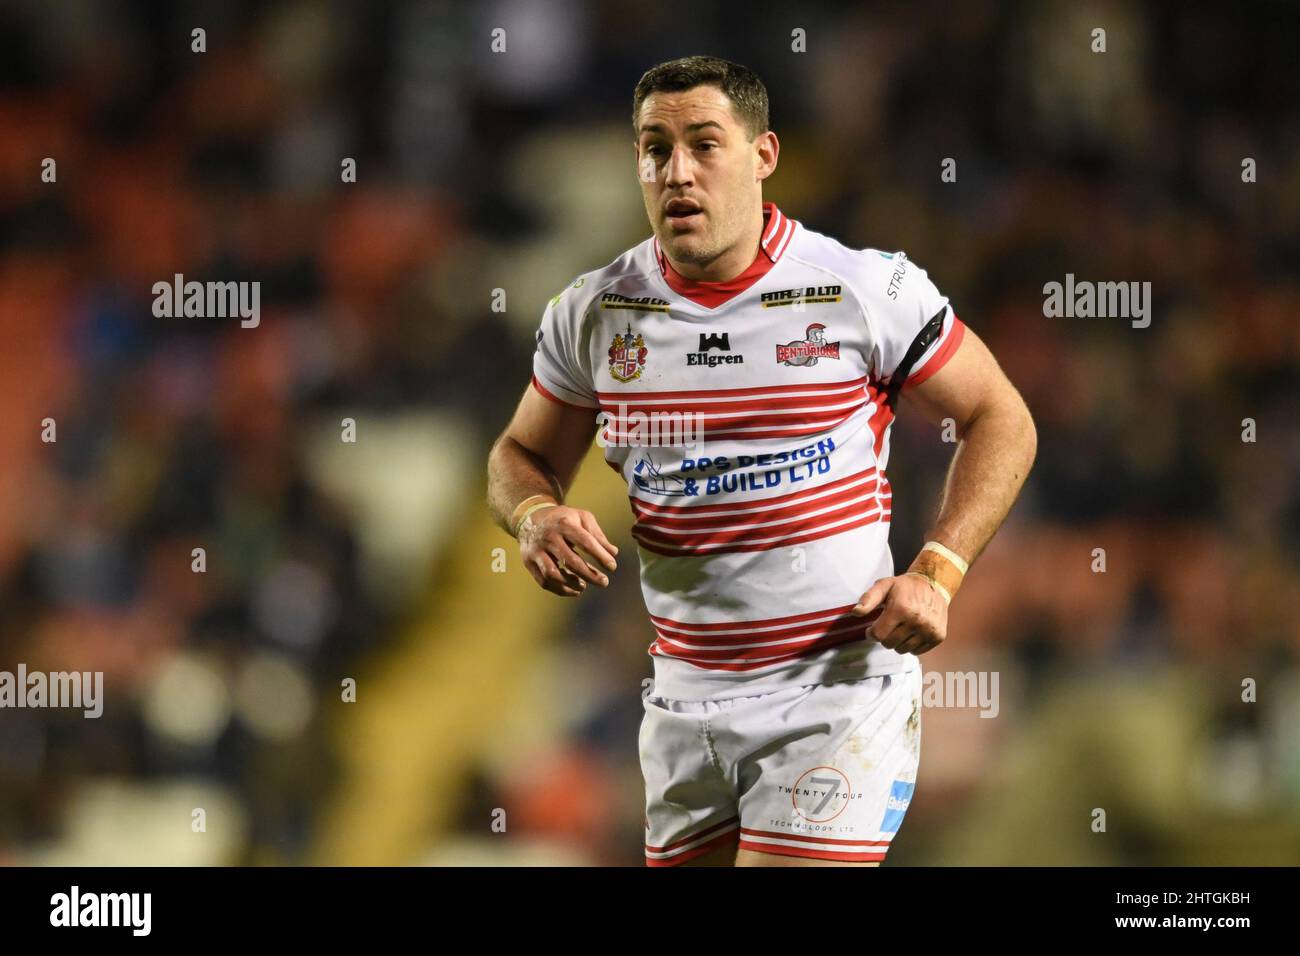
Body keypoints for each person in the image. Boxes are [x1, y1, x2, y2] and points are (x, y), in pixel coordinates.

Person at [486, 55, 1037, 867]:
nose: (677, 171)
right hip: (681, 698)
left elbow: (1000, 416)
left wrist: (938, 568)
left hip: (835, 689)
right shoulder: (594, 314)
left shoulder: (862, 288)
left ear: (763, 155)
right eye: (655, 147)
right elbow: (520, 452)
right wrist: (533, 514)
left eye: (705, 144)